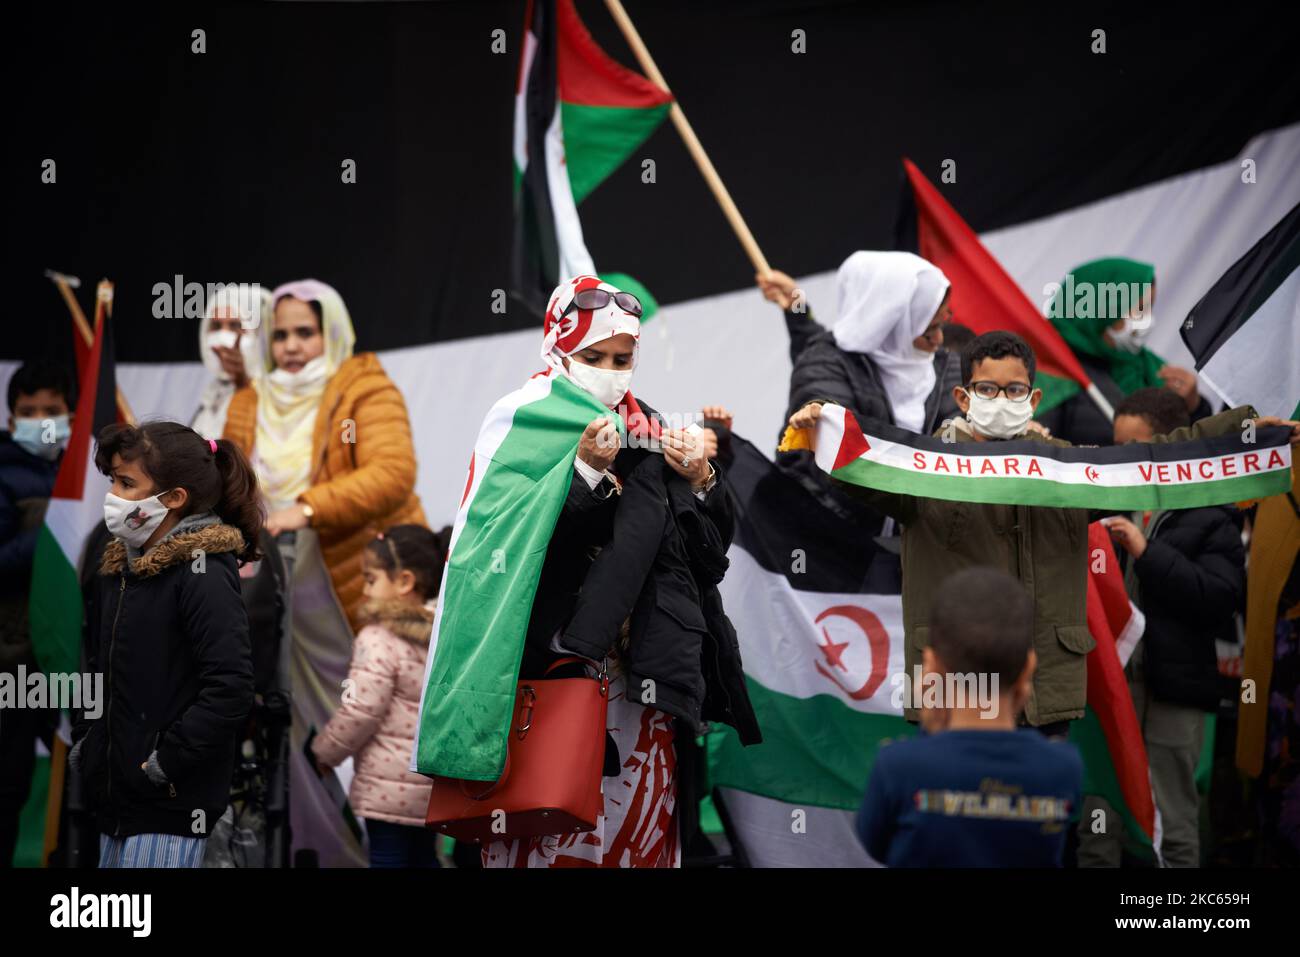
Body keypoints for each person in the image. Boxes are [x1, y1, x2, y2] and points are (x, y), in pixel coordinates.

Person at [786, 331, 1290, 733]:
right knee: (965, 831)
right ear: (963, 396)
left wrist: (1238, 435)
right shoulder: (920, 468)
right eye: (986, 389)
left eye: (1014, 389)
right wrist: (822, 432)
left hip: (1046, 687)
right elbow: (855, 473)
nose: (1000, 399)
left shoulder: (1069, 468)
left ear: (1034, 397)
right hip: (960, 687)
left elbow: (1156, 457)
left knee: (1040, 830)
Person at [425, 275, 759, 868]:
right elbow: (508, 550)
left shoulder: (649, 427)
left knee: (640, 839)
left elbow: (708, 556)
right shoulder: (521, 419)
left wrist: (705, 481)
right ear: (557, 348)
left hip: (643, 684)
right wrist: (582, 475)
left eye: (622, 357)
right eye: (593, 356)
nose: (610, 369)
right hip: (551, 680)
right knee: (552, 835)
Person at [222, 278, 426, 868]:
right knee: (280, 725)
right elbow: (227, 486)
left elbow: (393, 472)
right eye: (280, 334)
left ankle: (396, 854)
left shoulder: (363, 385)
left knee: (380, 727)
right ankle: (319, 854)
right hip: (272, 594)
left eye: (305, 333)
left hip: (357, 590)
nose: (290, 346)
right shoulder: (248, 399)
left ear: (330, 332)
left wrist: (304, 510)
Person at [69, 421, 259, 868]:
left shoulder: (204, 571)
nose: (113, 494)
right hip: (116, 804)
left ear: (174, 499)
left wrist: (165, 762)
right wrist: (88, 743)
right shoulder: (121, 567)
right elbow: (99, 668)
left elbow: (230, 688)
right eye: (113, 480)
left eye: (126, 483)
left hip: (171, 809)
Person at [1077, 387, 1246, 867]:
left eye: (1132, 448)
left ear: (1167, 448)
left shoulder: (1212, 511)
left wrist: (1146, 552)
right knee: (1098, 822)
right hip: (1107, 690)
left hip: (1173, 690)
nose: (1119, 458)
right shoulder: (1099, 499)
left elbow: (1220, 599)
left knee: (1174, 824)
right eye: (1115, 445)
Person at [857, 567, 1083, 867]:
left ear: (932, 666)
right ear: (1029, 667)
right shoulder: (1063, 768)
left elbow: (876, 844)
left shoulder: (897, 767)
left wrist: (931, 731)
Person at [759, 253, 962, 531]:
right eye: (928, 328)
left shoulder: (946, 366)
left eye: (942, 324)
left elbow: (964, 444)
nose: (938, 341)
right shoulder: (824, 364)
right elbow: (834, 441)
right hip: (841, 544)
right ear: (889, 319)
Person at [311, 524, 450, 868]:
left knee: (387, 859)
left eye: (371, 579)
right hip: (432, 786)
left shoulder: (378, 638)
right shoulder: (442, 637)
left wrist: (325, 752)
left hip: (386, 792)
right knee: (423, 858)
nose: (365, 590)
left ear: (404, 582)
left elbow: (361, 709)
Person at [0, 360, 74, 867]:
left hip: (75, 656)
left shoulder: (93, 473)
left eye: (53, 410)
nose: (42, 420)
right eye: (30, 411)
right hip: (14, 658)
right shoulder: (4, 472)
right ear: (11, 420)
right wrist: (52, 528)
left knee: (83, 780)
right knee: (8, 783)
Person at [1037, 257, 1210, 446]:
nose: (1147, 321)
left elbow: (1193, 448)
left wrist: (1195, 407)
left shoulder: (1150, 367)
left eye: (1150, 308)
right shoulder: (1051, 374)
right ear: (1101, 308)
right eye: (1140, 309)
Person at [190, 283, 270, 441]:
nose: (222, 335)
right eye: (216, 325)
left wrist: (243, 384)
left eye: (235, 325)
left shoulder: (278, 396)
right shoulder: (214, 392)